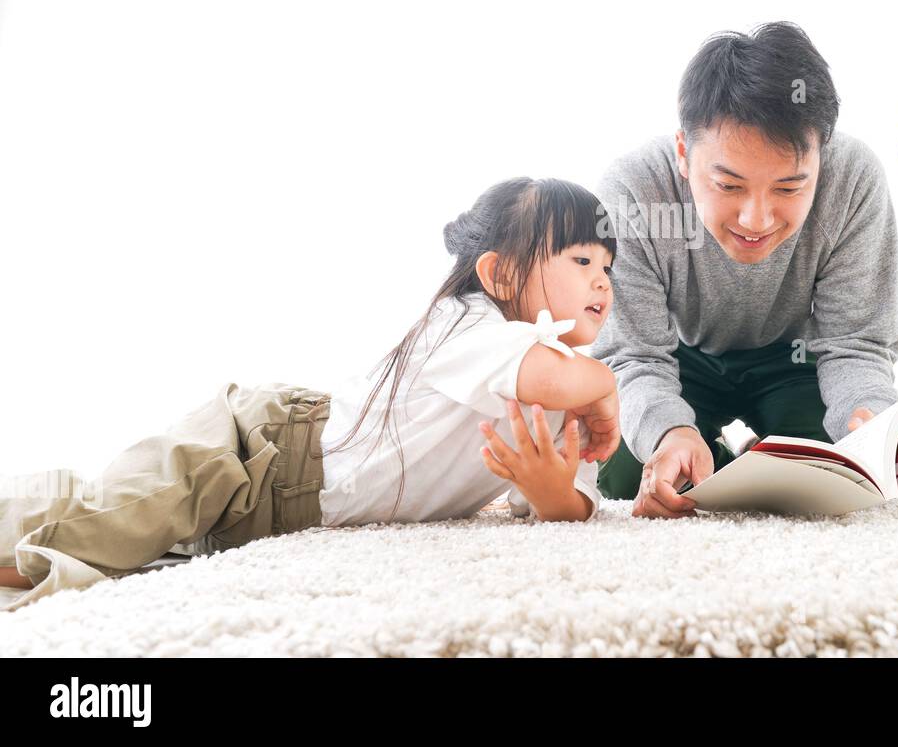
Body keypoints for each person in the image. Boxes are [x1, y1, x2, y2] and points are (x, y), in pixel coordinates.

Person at [0, 177, 621, 611]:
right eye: (581, 261)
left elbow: (578, 501)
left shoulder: (565, 392)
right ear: (500, 274)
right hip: (268, 447)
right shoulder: (466, 324)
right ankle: (30, 557)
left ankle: (32, 528)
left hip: (282, 511)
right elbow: (549, 378)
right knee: (124, 509)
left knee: (157, 533)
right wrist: (606, 382)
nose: (602, 281)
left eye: (608, 267)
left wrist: (552, 494)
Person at [591, 21, 898, 519]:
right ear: (684, 153)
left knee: (835, 469)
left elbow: (855, 342)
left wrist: (872, 421)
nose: (756, 220)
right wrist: (670, 432)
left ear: (822, 157)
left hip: (795, 358)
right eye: (729, 186)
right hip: (678, 357)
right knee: (630, 470)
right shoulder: (633, 190)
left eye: (788, 188)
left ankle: (757, 458)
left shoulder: (854, 178)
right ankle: (725, 459)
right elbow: (634, 353)